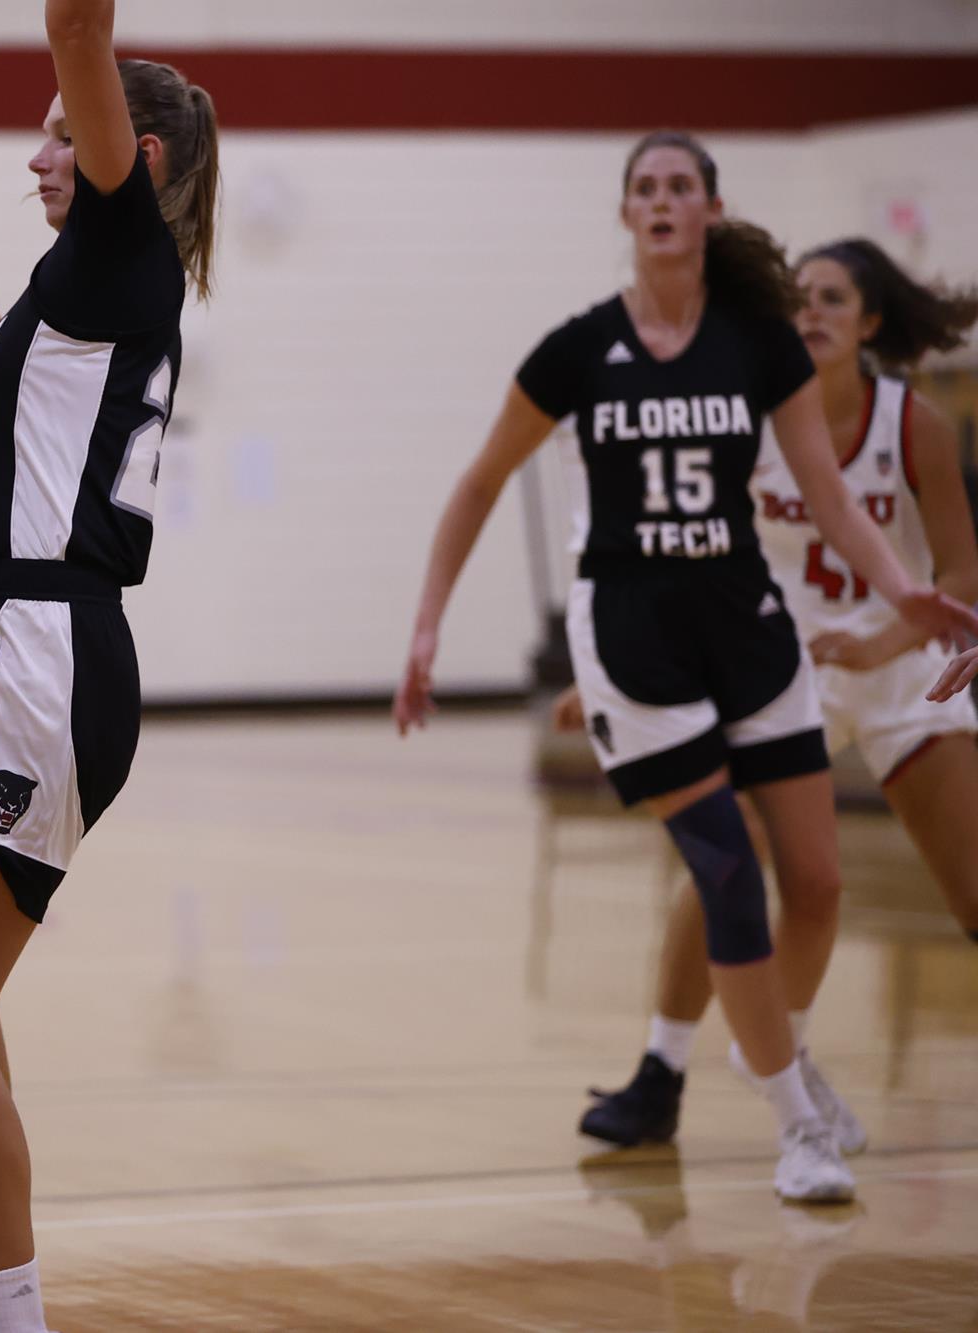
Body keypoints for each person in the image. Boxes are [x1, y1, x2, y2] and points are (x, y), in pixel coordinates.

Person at [395, 130, 978, 1204]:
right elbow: (480, 480)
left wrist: (906, 599)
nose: (662, 200)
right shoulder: (579, 350)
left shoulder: (759, 349)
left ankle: (765, 1060)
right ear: (626, 213)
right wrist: (430, 626)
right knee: (725, 872)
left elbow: (835, 498)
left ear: (711, 208)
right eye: (645, 187)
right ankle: (793, 1125)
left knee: (817, 880)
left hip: (754, 633)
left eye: (680, 185)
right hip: (641, 641)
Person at [0, 4, 219, 1329]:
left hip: (38, 649)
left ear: (130, 152)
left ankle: (3, 1317)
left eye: (59, 133)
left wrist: (76, 45)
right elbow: (22, 438)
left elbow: (78, 20)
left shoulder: (122, 244)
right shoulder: (81, 287)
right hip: (0, 640)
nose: (35, 156)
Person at [559, 238, 978, 1150]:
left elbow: (961, 573)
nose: (810, 312)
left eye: (832, 299)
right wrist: (608, 665)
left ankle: (778, 1054)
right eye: (799, 298)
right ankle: (663, 1072)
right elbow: (663, 546)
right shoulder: (740, 414)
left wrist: (882, 643)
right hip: (774, 659)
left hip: (899, 660)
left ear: (870, 323)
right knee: (727, 857)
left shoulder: (914, 425)